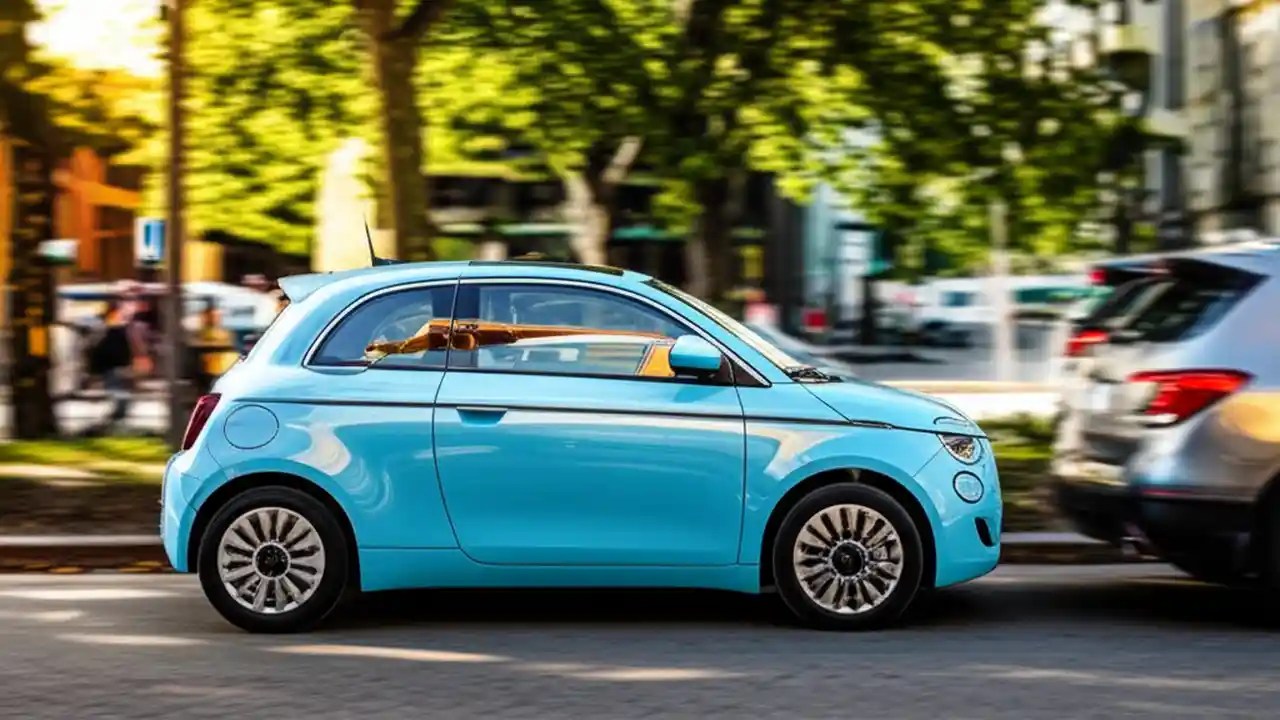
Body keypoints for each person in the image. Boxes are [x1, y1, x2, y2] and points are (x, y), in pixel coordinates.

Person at [88, 300, 135, 434]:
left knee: (119, 394)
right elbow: (106, 350)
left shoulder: (110, 329)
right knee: (120, 395)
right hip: (114, 367)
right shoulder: (112, 329)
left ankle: (115, 419)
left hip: (114, 367)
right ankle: (116, 419)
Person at [188, 301, 238, 395]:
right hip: (207, 367)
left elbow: (228, 344)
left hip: (220, 367)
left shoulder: (223, 331)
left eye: (215, 316)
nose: (214, 318)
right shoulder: (201, 331)